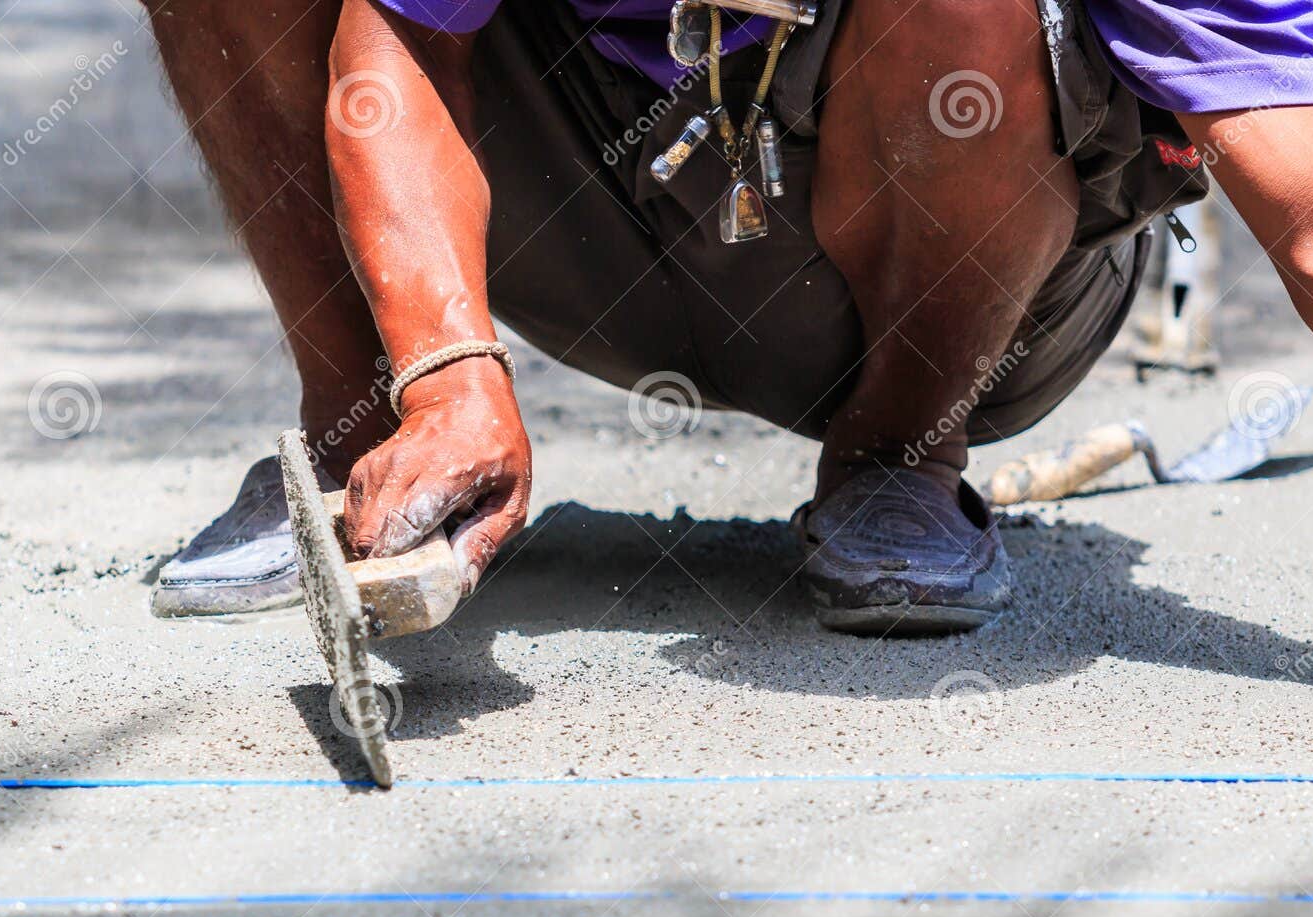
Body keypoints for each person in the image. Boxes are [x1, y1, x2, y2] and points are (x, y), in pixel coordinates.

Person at [144, 0, 1226, 633]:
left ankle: (901, 458)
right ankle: (369, 445)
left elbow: (1295, 183)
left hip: (971, 286)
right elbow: (404, 51)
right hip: (587, 212)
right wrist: (448, 370)